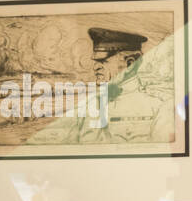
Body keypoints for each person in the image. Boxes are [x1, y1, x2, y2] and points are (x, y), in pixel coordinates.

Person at [36, 26, 174, 146]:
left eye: (104, 61)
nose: (96, 67)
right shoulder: (89, 107)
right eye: (96, 61)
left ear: (130, 63)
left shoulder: (159, 107)